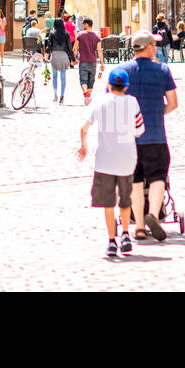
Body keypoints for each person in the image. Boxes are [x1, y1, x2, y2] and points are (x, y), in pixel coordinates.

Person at [77, 66, 145, 256]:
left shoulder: (99, 101)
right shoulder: (132, 102)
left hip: (104, 160)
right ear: (126, 86)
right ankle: (126, 234)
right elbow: (139, 130)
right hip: (127, 159)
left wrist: (83, 146)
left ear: (109, 84)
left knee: (109, 203)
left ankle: (112, 241)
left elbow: (84, 128)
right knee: (125, 200)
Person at [124, 30, 179, 241]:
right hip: (155, 136)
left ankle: (139, 227)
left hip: (129, 138)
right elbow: (173, 103)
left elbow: (113, 102)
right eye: (154, 46)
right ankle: (154, 215)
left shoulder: (121, 71)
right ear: (148, 48)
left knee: (135, 181)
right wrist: (157, 112)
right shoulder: (162, 70)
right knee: (157, 177)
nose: (155, 48)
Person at [75, 18, 103, 105]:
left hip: (83, 61)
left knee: (83, 80)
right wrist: (102, 63)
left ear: (86, 24)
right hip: (93, 61)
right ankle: (87, 97)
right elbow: (99, 51)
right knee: (91, 81)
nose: (83, 26)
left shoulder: (80, 35)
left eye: (83, 24)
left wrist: (74, 59)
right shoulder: (97, 36)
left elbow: (75, 48)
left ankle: (85, 93)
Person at [47, 19, 75, 104]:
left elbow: (49, 46)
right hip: (64, 56)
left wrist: (46, 57)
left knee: (54, 76)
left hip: (54, 56)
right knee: (63, 77)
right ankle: (62, 96)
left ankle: (55, 95)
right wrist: (73, 59)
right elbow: (70, 48)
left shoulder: (52, 33)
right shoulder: (66, 34)